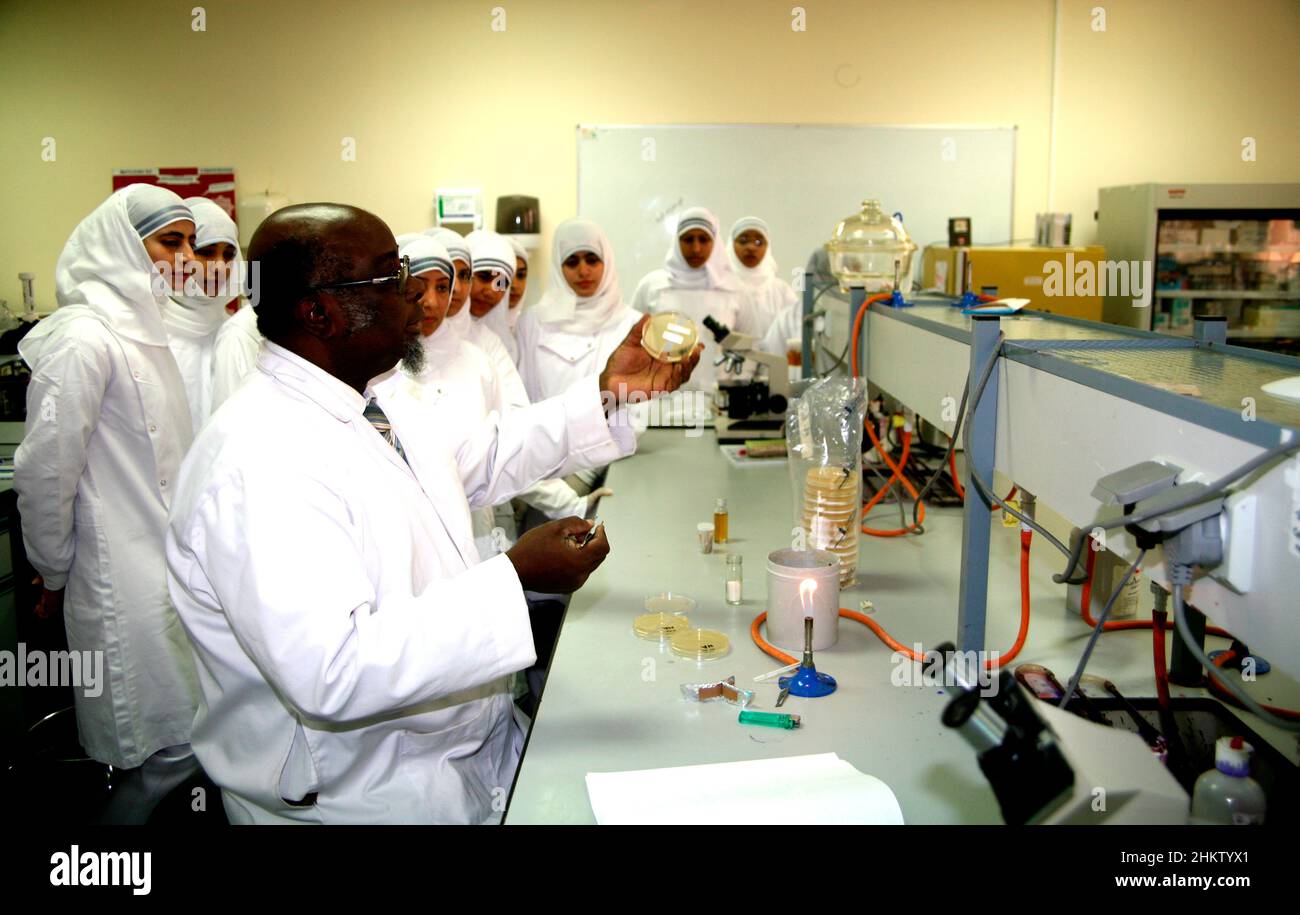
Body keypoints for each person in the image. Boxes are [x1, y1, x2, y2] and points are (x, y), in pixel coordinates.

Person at [166, 203, 700, 824]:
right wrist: (515, 580)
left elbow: (478, 457)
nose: (418, 299)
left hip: (457, 758)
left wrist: (609, 394)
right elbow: (334, 669)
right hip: (363, 798)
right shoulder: (258, 461)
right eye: (394, 279)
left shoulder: (374, 399)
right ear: (320, 311)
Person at [15, 185, 203, 822]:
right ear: (123, 244)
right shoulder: (82, 338)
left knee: (178, 740)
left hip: (169, 569)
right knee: (155, 750)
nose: (185, 257)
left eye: (191, 242)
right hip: (117, 576)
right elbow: (46, 473)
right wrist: (54, 569)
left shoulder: (148, 330)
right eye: (169, 241)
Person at [630, 206, 757, 392]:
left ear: (715, 242)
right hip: (661, 402)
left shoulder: (735, 290)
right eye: (688, 240)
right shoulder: (652, 286)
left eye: (704, 240)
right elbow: (632, 343)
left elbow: (750, 349)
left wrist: (734, 391)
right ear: (677, 241)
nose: (696, 248)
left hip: (718, 406)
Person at [163, 197, 239, 429]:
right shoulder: (148, 331)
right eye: (206, 252)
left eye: (228, 255)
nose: (220, 266)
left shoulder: (236, 331)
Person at [727, 216, 798, 344]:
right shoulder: (722, 288)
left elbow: (797, 331)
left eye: (759, 242)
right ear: (731, 245)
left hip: (774, 362)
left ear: (767, 247)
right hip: (728, 362)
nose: (751, 247)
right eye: (743, 241)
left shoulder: (781, 290)